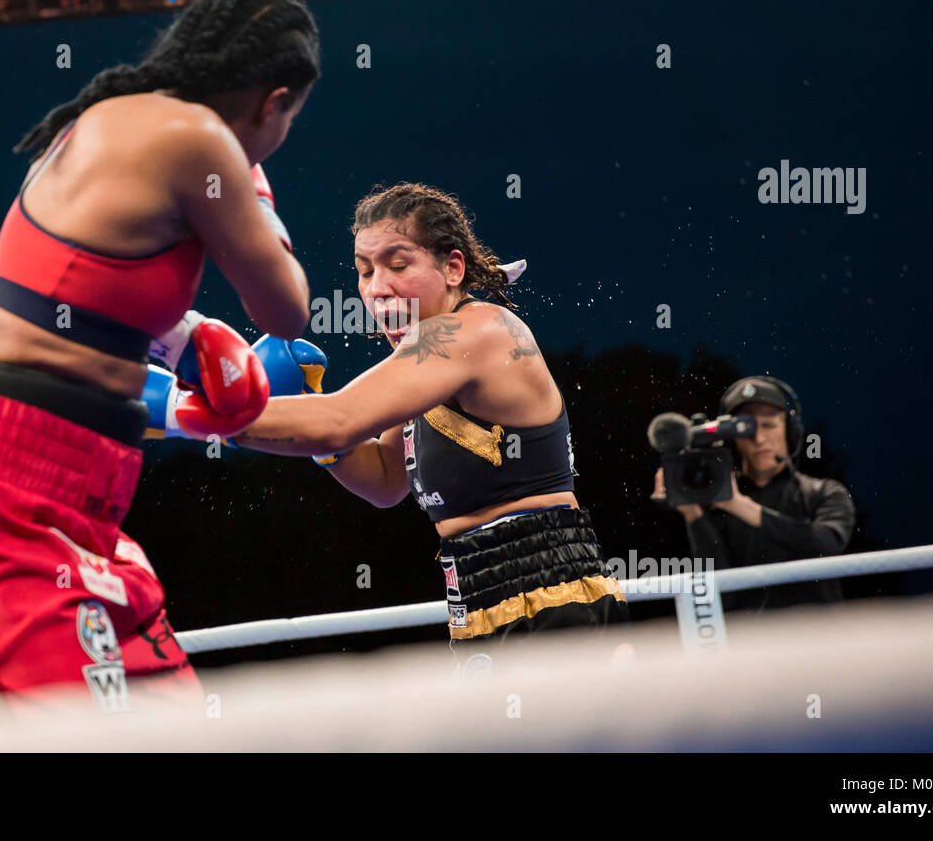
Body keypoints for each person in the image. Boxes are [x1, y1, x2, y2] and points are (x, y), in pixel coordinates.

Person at [0, 0, 319, 711]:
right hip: (10, 495)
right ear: (274, 102)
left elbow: (59, 284)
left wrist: (182, 338)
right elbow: (287, 309)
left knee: (170, 719)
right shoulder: (203, 140)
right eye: (288, 122)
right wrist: (256, 190)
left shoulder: (99, 121)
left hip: (51, 488)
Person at [145, 183, 629, 654]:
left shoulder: (474, 331)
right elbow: (383, 478)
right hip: (482, 601)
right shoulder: (424, 359)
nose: (377, 289)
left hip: (551, 597)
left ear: (453, 268)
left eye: (397, 265)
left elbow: (339, 418)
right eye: (364, 271)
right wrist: (314, 424)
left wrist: (174, 409)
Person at [654, 376, 856, 611]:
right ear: (734, 441)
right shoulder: (714, 503)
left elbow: (826, 547)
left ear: (789, 433)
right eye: (746, 430)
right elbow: (720, 597)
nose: (759, 439)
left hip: (819, 640)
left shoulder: (825, 492)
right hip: (750, 644)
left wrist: (739, 505)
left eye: (769, 425)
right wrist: (693, 515)